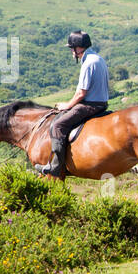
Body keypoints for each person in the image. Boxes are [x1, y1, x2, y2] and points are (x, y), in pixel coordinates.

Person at [39, 31, 109, 178]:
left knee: (58, 125)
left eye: (72, 48)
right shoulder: (98, 58)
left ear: (79, 48)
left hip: (89, 105)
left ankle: (56, 166)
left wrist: (67, 105)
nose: (71, 51)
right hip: (102, 103)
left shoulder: (88, 63)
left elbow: (81, 93)